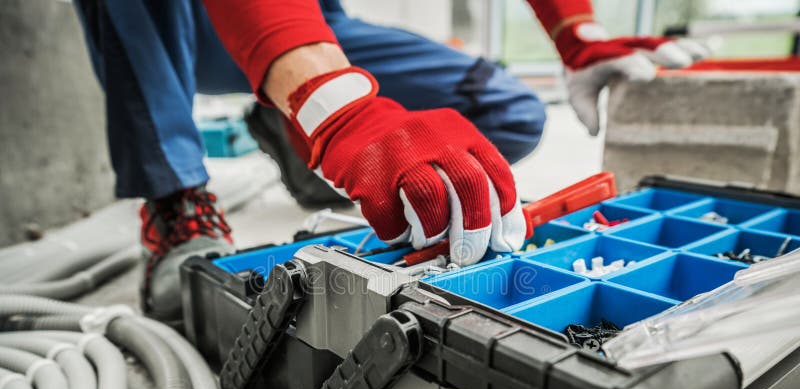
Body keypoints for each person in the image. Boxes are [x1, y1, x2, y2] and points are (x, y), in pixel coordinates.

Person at [73, 0, 707, 321]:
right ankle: (175, 198)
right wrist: (334, 105)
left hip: (308, 17)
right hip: (194, 23)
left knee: (511, 110)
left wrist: (578, 34)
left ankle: (289, 116)